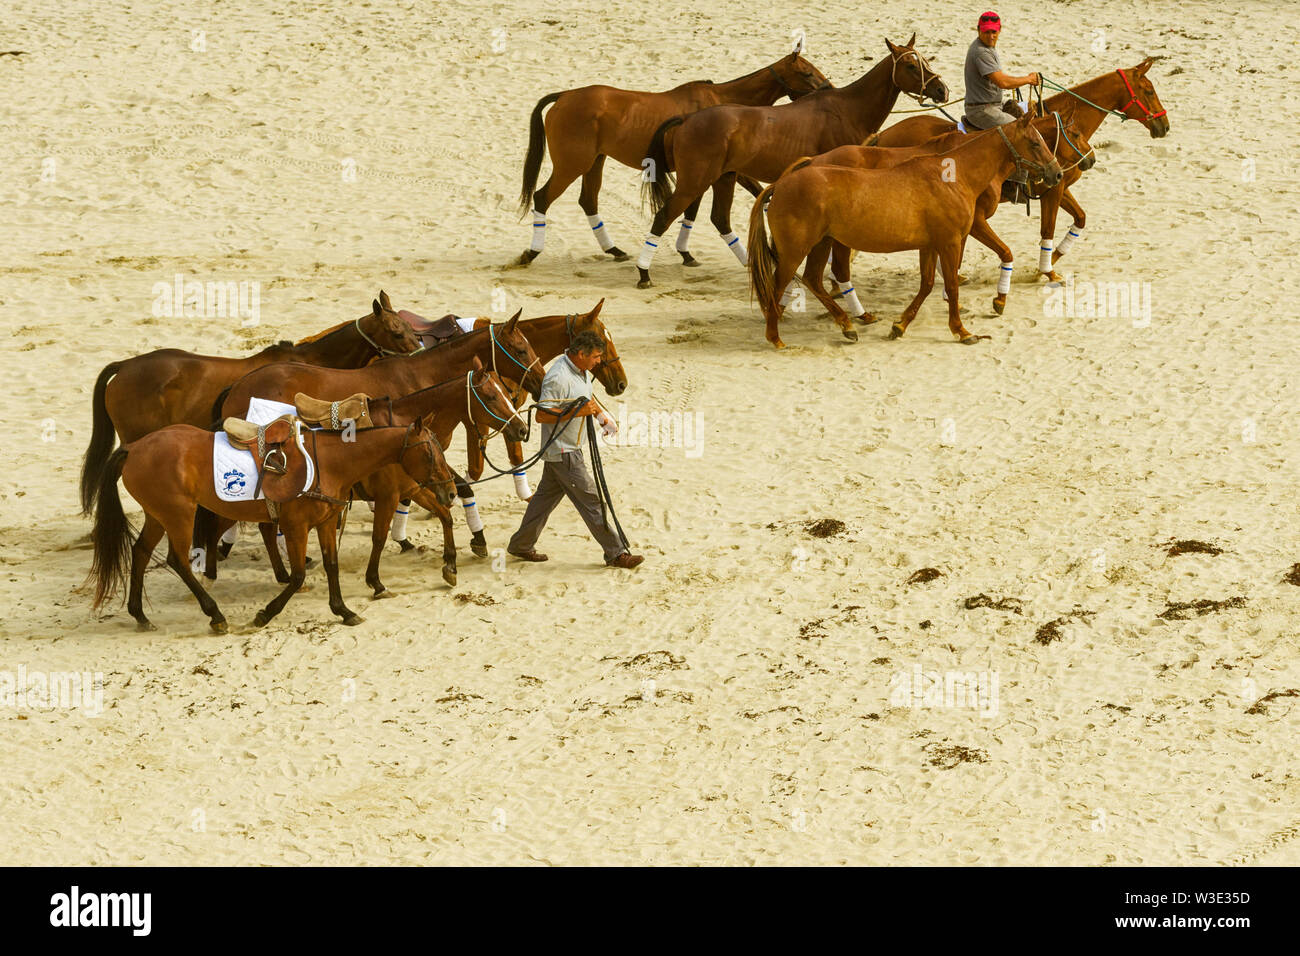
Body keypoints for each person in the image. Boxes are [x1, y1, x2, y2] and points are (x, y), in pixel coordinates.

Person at [508, 330, 644, 569]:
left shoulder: (581, 371)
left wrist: (602, 416)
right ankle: (616, 553)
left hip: (567, 450)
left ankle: (521, 544)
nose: (599, 361)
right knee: (592, 501)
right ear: (581, 354)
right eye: (596, 357)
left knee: (543, 502)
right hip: (563, 452)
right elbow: (542, 415)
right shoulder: (558, 378)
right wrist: (579, 413)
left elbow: (586, 399)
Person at [963, 11, 1040, 130]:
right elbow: (1003, 82)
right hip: (981, 110)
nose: (991, 36)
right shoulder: (981, 52)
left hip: (993, 104)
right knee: (1021, 129)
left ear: (1000, 30)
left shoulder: (987, 47)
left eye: (994, 32)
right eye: (986, 32)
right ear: (978, 30)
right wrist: (1029, 79)